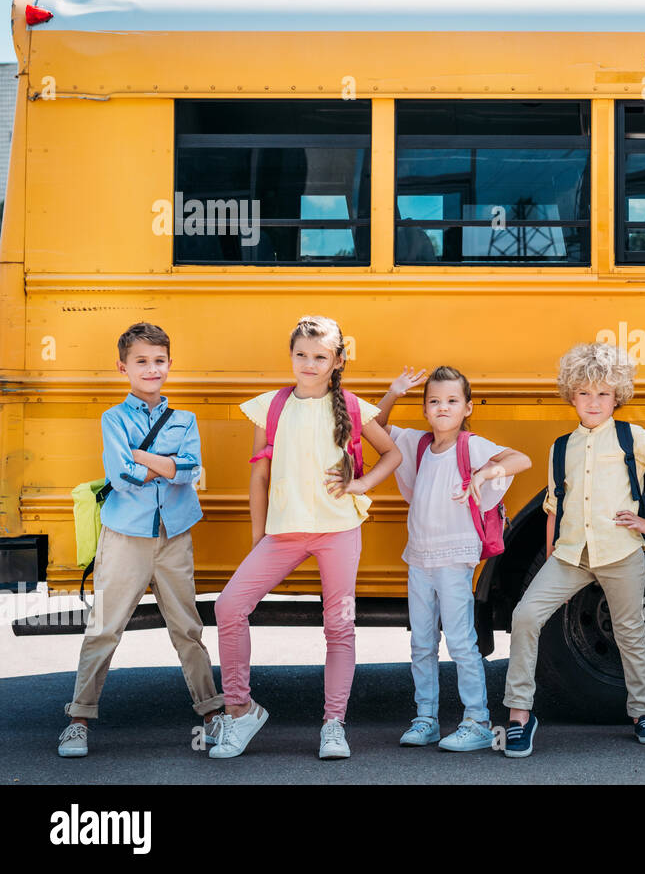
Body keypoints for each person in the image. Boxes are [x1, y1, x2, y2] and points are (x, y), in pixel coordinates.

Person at [208, 315, 402, 760]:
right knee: (229, 606)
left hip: (339, 532)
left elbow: (391, 454)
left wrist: (362, 485)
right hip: (283, 534)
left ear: (336, 361)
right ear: (291, 356)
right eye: (301, 355)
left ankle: (334, 724)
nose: (309, 364)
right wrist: (259, 537)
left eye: (320, 357)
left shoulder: (353, 407)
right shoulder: (271, 407)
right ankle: (240, 711)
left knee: (339, 626)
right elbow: (259, 475)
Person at [502, 342, 645, 757]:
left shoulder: (632, 437)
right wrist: (551, 553)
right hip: (570, 556)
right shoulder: (560, 447)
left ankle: (643, 714)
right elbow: (554, 505)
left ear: (617, 397)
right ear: (571, 394)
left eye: (603, 394)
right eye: (585, 393)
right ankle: (520, 715)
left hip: (621, 552)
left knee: (629, 632)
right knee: (525, 615)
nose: (593, 401)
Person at [57, 323, 224, 757]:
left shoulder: (184, 419)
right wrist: (166, 464)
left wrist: (145, 457)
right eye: (141, 361)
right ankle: (79, 718)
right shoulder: (113, 418)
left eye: (159, 361)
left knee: (187, 627)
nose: (152, 369)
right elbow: (123, 477)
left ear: (170, 364)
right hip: (125, 537)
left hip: (174, 535)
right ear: (123, 367)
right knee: (105, 628)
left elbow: (192, 471)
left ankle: (212, 713)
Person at [374, 365, 531, 752]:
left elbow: (521, 459)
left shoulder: (471, 445)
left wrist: (485, 473)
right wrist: (393, 393)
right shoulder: (418, 445)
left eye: (452, 401)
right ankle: (425, 718)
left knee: (461, 640)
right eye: (434, 401)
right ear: (425, 410)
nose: (442, 408)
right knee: (421, 643)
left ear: (467, 408)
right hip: (420, 557)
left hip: (456, 557)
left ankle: (477, 720)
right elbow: (373, 429)